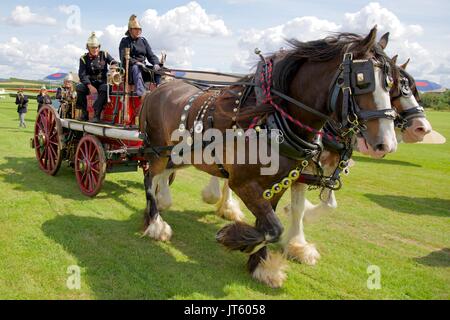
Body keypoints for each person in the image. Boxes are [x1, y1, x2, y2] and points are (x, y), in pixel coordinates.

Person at [76, 32, 118, 122]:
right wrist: (90, 86)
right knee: (79, 88)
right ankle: (84, 113)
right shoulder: (83, 58)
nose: (95, 49)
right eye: (92, 47)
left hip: (102, 81)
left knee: (106, 87)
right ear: (88, 48)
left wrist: (113, 68)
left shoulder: (105, 54)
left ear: (99, 47)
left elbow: (114, 62)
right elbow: (82, 74)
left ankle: (97, 113)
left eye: (96, 47)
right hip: (90, 82)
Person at [119, 14, 162, 98]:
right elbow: (123, 57)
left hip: (143, 68)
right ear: (130, 30)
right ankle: (141, 93)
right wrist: (137, 63)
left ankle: (159, 89)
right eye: (136, 29)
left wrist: (156, 64)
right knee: (136, 68)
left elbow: (151, 55)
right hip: (130, 70)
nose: (138, 31)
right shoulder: (125, 41)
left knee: (160, 69)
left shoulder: (143, 41)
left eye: (140, 29)